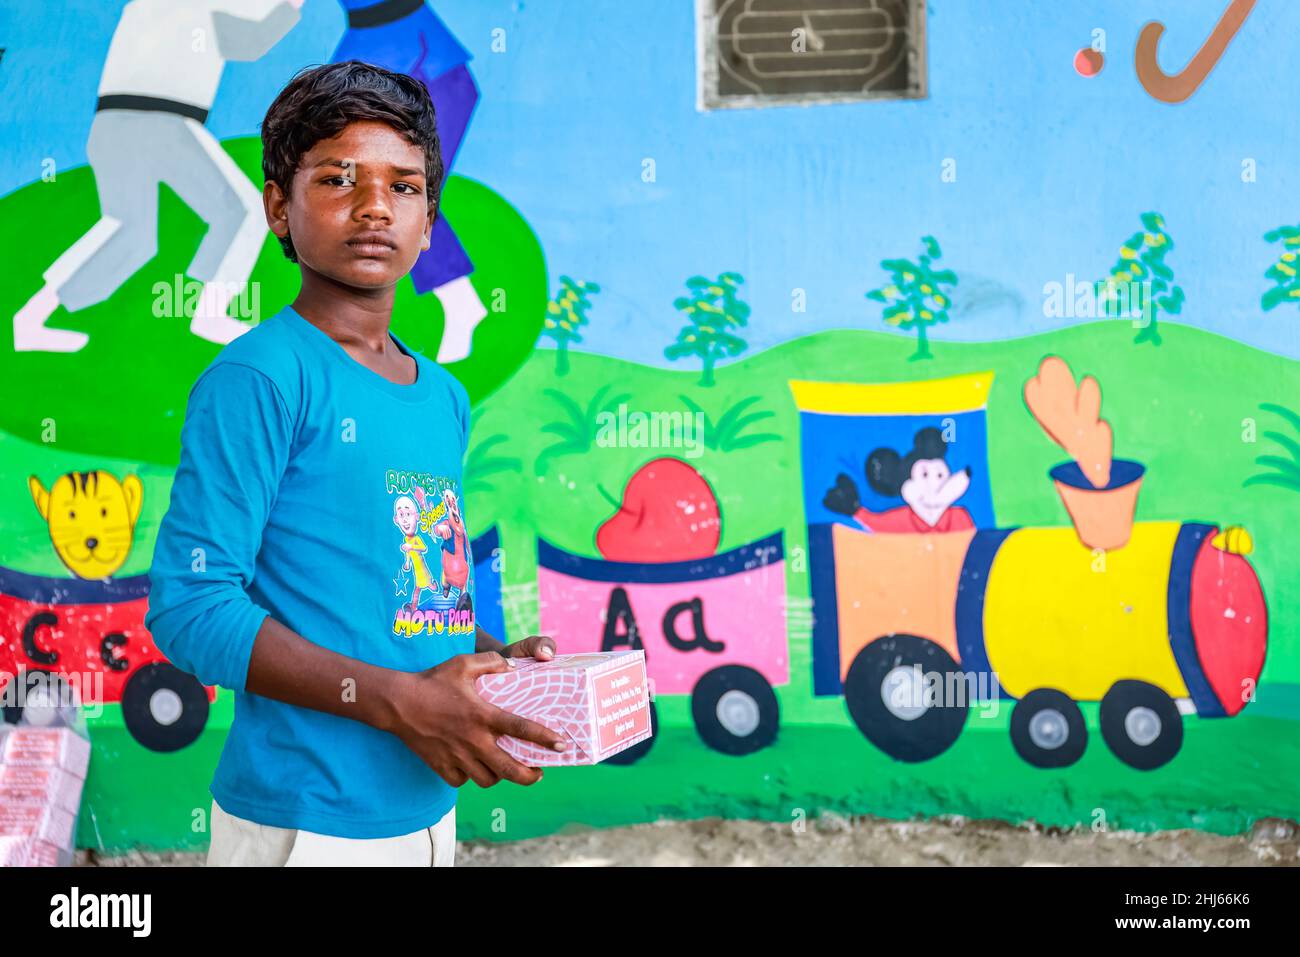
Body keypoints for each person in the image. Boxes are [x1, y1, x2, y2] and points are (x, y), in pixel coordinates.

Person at [144, 60, 564, 868]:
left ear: (431, 220)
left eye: (404, 186)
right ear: (279, 207)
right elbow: (190, 606)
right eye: (339, 178)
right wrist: (401, 702)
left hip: (429, 803)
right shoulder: (261, 378)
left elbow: (410, 595)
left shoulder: (442, 395)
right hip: (308, 821)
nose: (375, 205)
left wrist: (484, 658)